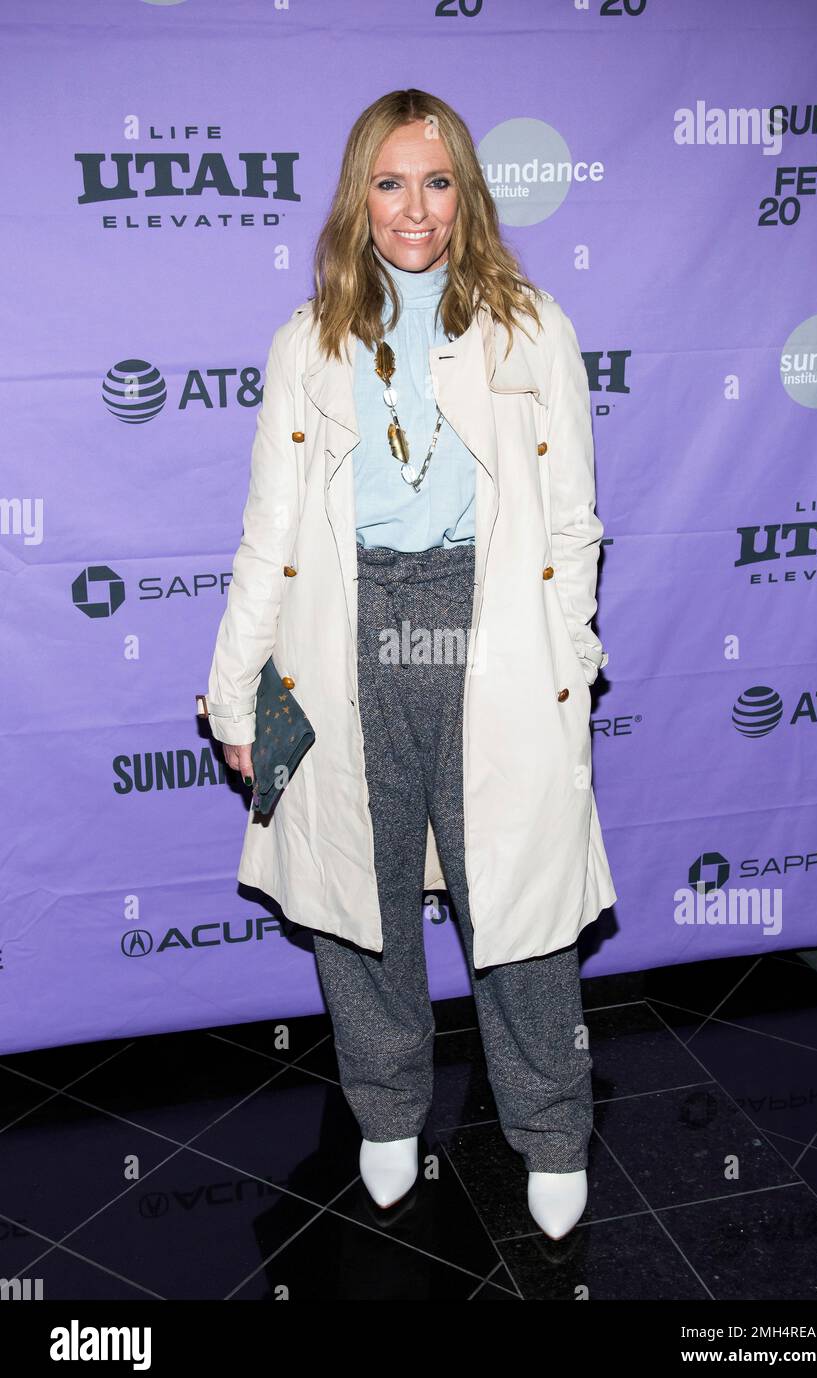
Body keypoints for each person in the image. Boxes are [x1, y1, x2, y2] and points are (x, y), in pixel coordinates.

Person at [201, 89, 616, 1241]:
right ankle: (385, 1110)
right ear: (358, 197)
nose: (415, 207)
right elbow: (268, 533)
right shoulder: (309, 337)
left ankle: (550, 1125)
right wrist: (236, 688)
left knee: (517, 907)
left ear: (465, 192)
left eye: (436, 181)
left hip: (493, 627)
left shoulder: (533, 326)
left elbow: (576, 520)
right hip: (347, 630)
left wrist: (568, 656)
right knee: (357, 896)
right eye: (389, 182)